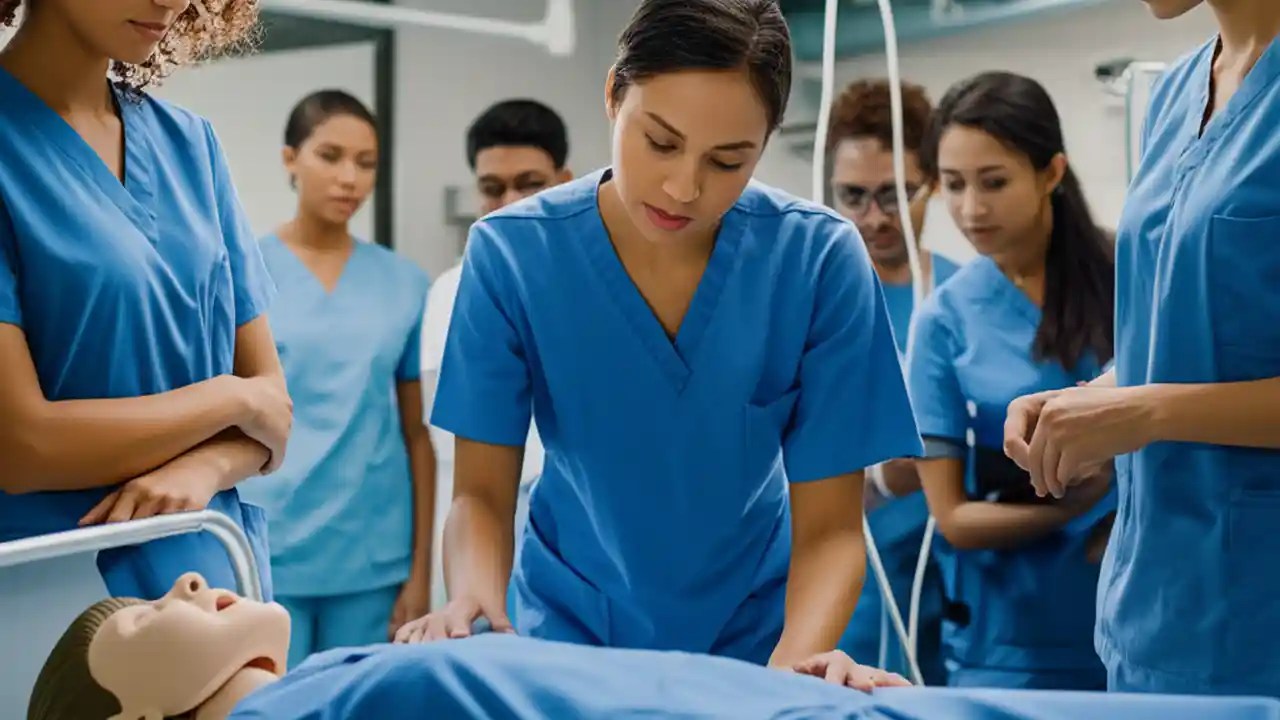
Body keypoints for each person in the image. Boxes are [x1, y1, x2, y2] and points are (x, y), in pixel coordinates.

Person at [398, 0, 922, 671]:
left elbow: (831, 531)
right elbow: (480, 495)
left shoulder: (818, 262)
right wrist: (473, 600)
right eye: (661, 142)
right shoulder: (512, 256)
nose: (683, 187)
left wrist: (791, 674)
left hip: (759, 635)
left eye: (728, 161)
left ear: (765, 143)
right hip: (567, 626)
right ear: (615, 94)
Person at [1003, 0, 1280, 698]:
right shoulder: (1176, 92)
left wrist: (1149, 415)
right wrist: (1092, 402)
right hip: (1154, 605)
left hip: (1259, 616)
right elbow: (1184, 328)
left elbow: (1166, 395)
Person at [0, 0, 290, 601]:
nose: (172, 0)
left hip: (218, 570)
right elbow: (21, 446)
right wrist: (227, 397)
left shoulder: (192, 145)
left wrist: (203, 469)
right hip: (57, 592)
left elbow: (274, 415)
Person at [908, 71, 1118, 689]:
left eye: (993, 182)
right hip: (1003, 642)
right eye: (952, 186)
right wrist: (1077, 504)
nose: (971, 209)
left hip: (1133, 616)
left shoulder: (1128, 272)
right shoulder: (943, 322)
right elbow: (952, 519)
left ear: (1051, 173)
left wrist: (1119, 513)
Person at [246, 90, 433, 669]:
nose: (350, 177)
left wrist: (423, 571)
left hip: (372, 556)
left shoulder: (404, 283)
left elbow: (416, 437)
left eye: (366, 162)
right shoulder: (246, 271)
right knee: (272, 707)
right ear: (289, 159)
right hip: (270, 547)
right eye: (330, 156)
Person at [420, 98, 573, 612]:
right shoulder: (452, 292)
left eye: (529, 183)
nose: (509, 200)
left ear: (563, 178)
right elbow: (449, 441)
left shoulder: (593, 284)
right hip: (489, 520)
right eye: (492, 188)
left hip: (578, 526)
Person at [825, 78, 954, 687]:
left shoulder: (964, 299)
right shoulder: (809, 307)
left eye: (895, 195)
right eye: (853, 196)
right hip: (843, 605)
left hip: (962, 599)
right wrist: (885, 478)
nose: (873, 218)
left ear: (932, 185)